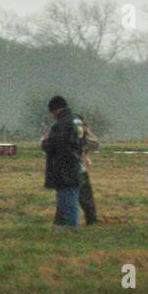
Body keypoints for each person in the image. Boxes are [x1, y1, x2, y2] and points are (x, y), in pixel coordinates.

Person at [41, 95, 85, 231]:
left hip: (63, 168)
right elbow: (83, 142)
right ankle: (65, 225)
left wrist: (44, 141)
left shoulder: (60, 125)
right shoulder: (77, 122)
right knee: (70, 196)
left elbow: (52, 145)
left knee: (67, 198)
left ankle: (71, 227)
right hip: (76, 164)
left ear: (56, 110)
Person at [76, 116, 101, 226]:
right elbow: (95, 144)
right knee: (86, 198)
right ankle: (91, 221)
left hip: (64, 171)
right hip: (78, 171)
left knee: (66, 198)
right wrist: (88, 132)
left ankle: (61, 223)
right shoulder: (79, 138)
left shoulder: (62, 133)